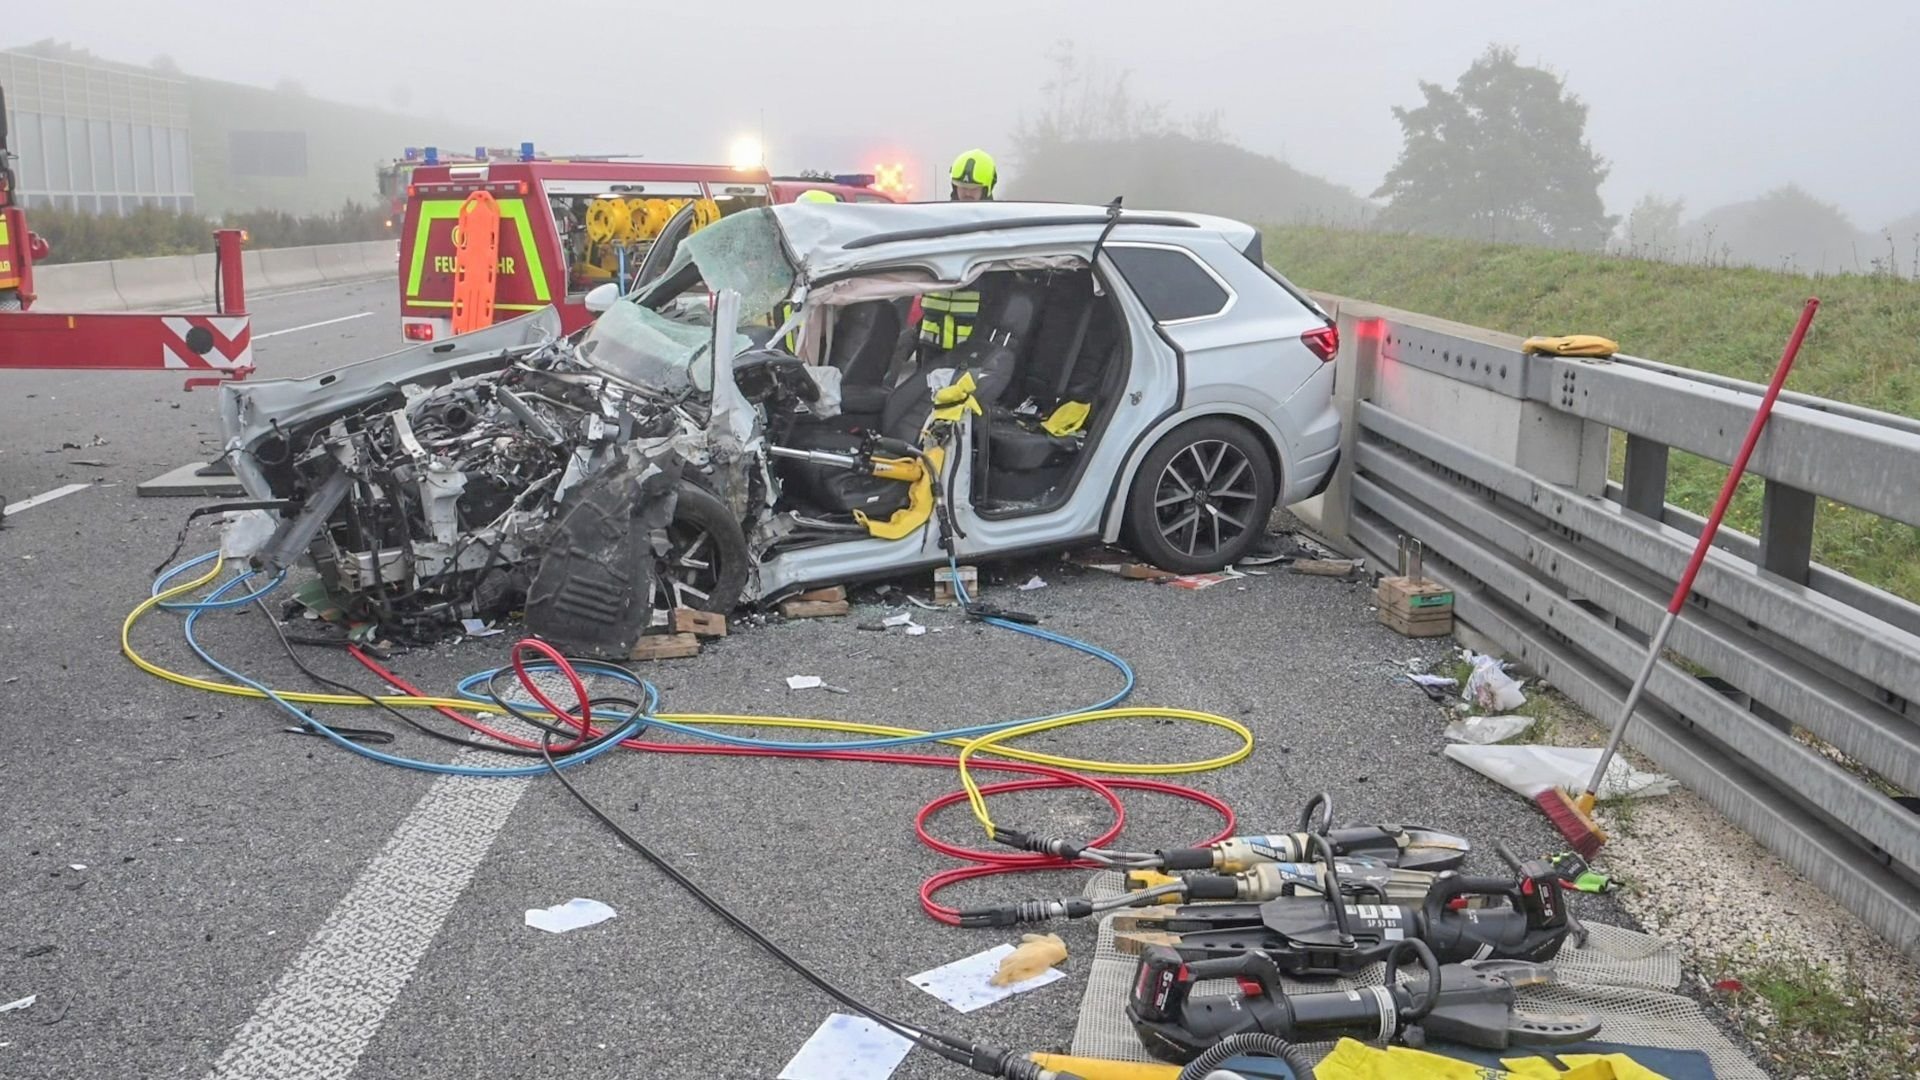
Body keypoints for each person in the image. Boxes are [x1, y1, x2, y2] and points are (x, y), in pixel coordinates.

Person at [918, 150, 998, 360]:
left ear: (987, 187)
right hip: (932, 338)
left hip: (971, 340)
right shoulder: (940, 220)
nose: (967, 193)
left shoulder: (996, 226)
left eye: (973, 188)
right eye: (962, 187)